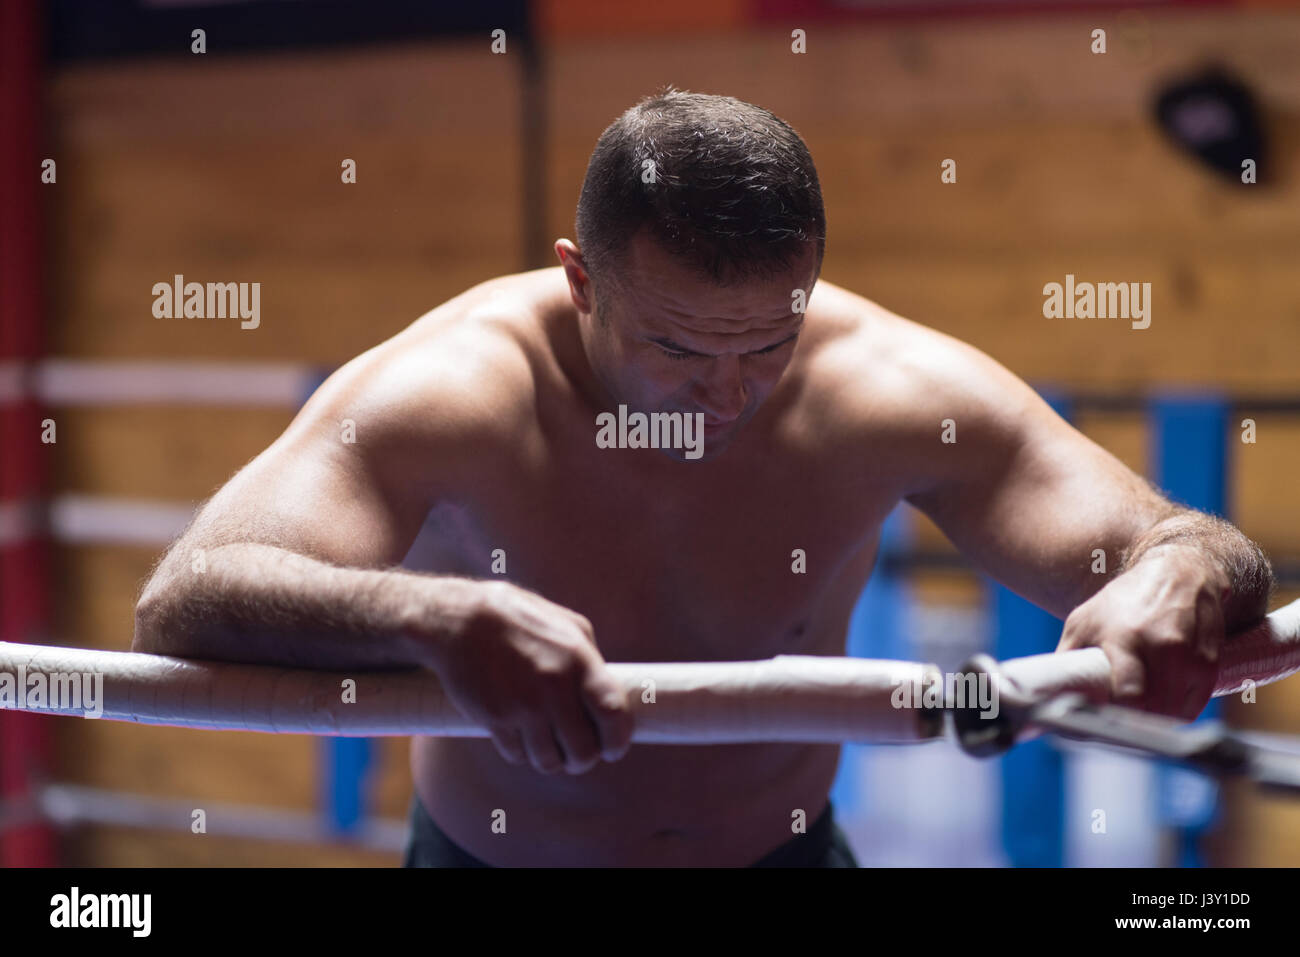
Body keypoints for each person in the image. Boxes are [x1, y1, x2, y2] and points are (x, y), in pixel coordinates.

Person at [132, 88, 1274, 867]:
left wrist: (1175, 572)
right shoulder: (452, 391)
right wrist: (432, 617)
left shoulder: (884, 384)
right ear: (581, 283)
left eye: (765, 347)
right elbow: (191, 595)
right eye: (678, 349)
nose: (726, 396)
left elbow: (1169, 541)